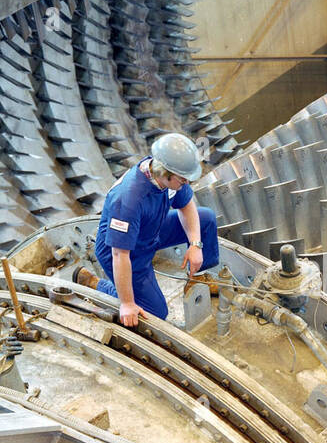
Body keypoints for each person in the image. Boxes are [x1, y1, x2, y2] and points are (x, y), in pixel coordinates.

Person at [74, 132, 219, 326]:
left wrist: (195, 244)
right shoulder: (128, 200)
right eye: (183, 180)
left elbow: (187, 205)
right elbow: (119, 255)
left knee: (206, 219)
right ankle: (95, 283)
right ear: (164, 172)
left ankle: (197, 279)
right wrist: (126, 303)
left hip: (152, 230)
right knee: (156, 312)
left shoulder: (170, 177)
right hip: (127, 251)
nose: (186, 183)